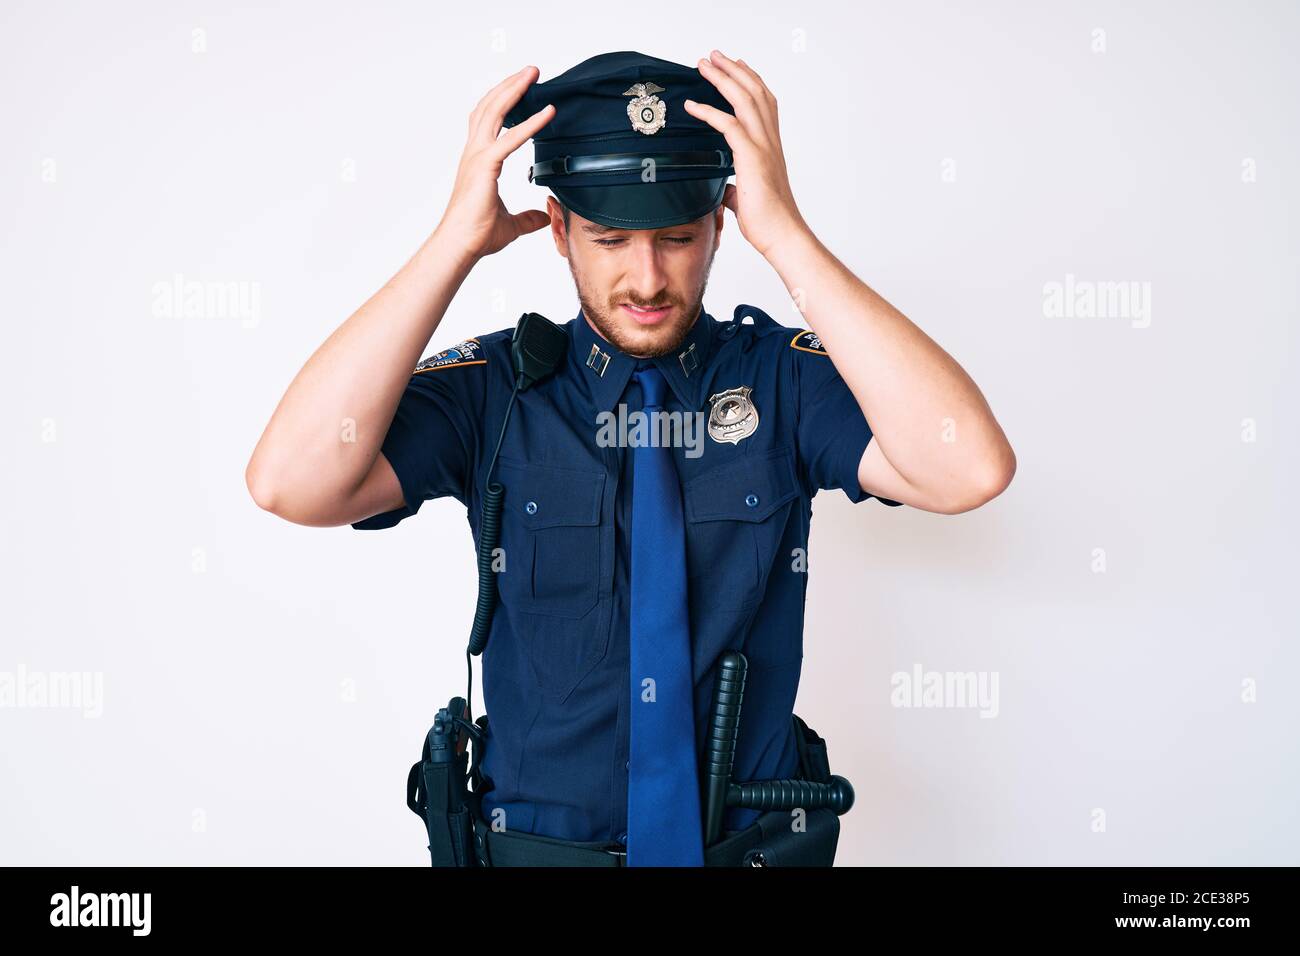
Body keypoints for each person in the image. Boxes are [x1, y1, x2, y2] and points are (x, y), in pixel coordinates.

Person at [245, 50, 1016, 866]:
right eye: (610, 239)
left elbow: (967, 467)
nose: (646, 278)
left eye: (678, 237)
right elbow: (289, 480)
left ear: (722, 222)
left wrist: (787, 235)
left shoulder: (781, 380)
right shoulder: (497, 391)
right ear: (559, 229)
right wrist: (451, 247)